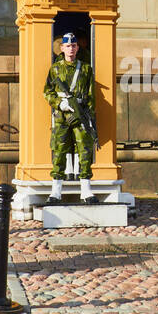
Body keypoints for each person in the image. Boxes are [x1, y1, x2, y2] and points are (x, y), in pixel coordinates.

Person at [43, 32, 97, 204]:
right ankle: (56, 192)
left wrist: (88, 114)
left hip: (80, 114)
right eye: (67, 46)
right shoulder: (55, 69)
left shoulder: (86, 69)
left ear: (77, 47)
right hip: (62, 115)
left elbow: (91, 95)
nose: (71, 49)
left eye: (73, 46)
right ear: (62, 48)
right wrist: (59, 103)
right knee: (59, 150)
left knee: (85, 151)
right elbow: (47, 91)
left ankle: (86, 191)